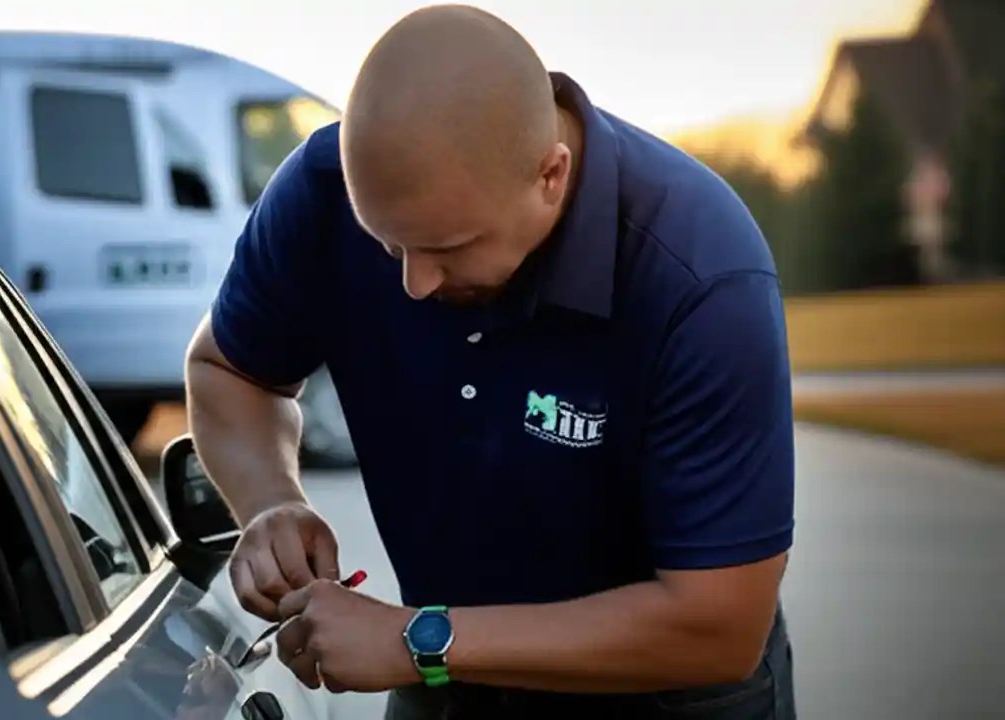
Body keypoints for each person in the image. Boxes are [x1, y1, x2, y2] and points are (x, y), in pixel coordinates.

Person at [184, 4, 796, 718]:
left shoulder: (700, 275)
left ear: (551, 176)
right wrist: (272, 500)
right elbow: (229, 371)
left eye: (448, 248)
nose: (414, 283)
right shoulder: (327, 194)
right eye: (388, 246)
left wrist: (421, 640)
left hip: (666, 697)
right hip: (445, 683)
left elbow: (718, 627)